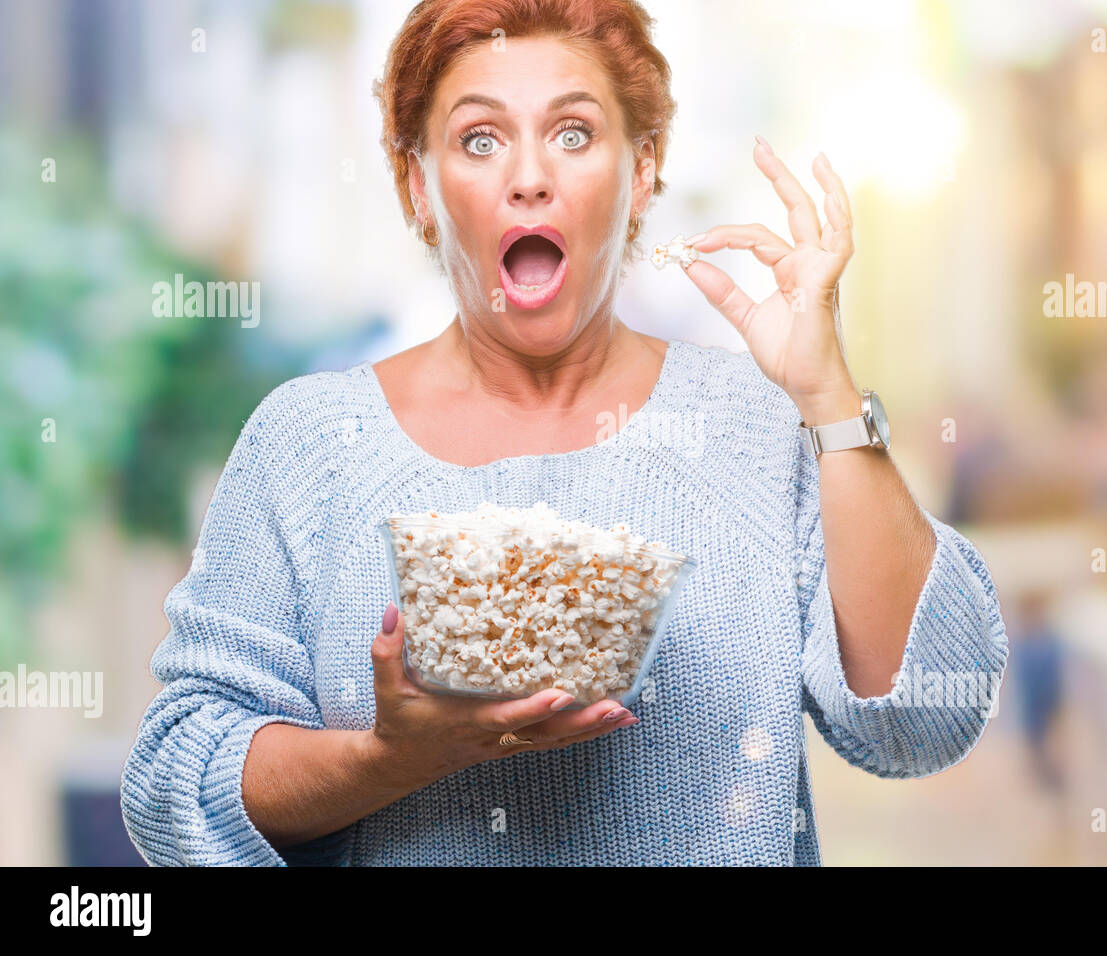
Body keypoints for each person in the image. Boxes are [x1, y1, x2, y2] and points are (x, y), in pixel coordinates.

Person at [120, 0, 1009, 866]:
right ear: (415, 186)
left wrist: (828, 396)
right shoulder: (308, 443)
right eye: (479, 138)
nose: (530, 175)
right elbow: (174, 786)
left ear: (644, 172)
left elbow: (924, 719)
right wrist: (392, 759)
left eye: (575, 133)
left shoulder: (759, 423)